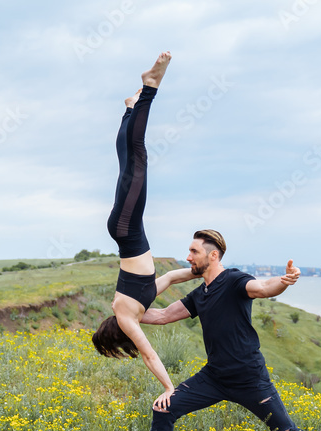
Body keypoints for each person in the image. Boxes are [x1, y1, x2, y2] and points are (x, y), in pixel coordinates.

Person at [140, 229, 312, 431]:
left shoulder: (233, 280)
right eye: (189, 251)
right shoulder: (200, 294)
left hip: (249, 378)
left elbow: (263, 288)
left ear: (213, 256)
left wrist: (284, 281)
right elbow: (163, 315)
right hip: (214, 377)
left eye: (194, 251)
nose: (188, 257)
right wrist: (125, 313)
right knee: (163, 408)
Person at [92, 51, 198, 412]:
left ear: (119, 335)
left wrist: (170, 388)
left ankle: (149, 87)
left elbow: (150, 356)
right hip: (124, 229)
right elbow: (169, 279)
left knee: (137, 158)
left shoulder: (126, 315)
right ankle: (131, 106)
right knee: (129, 162)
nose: (133, 344)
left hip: (126, 228)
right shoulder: (136, 307)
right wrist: (200, 272)